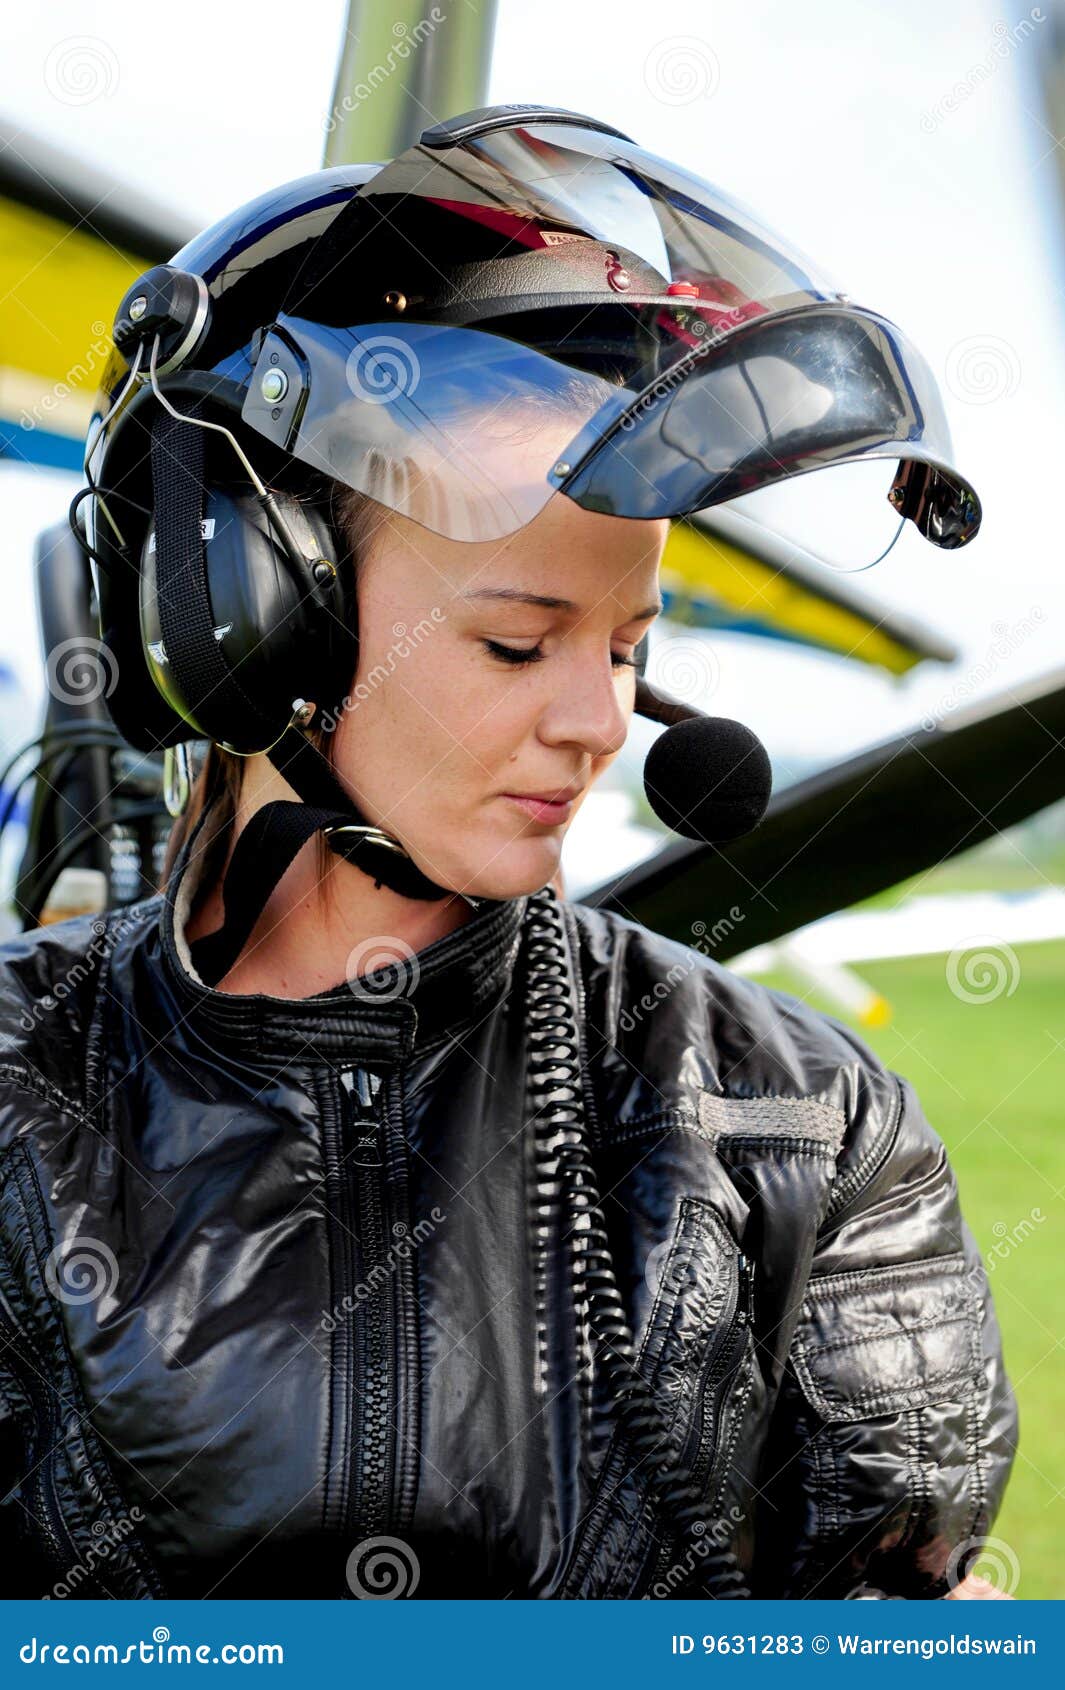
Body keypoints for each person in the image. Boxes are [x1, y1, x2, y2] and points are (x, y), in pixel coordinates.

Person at [0, 105, 1015, 1601]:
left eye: (627, 643)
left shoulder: (809, 1127)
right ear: (249, 610)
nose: (599, 720)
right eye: (514, 639)